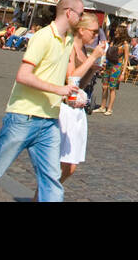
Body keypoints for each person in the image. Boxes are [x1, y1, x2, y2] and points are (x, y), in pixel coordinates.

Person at [0, 0, 88, 202]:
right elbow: (23, 76)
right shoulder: (43, 37)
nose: (82, 19)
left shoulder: (69, 39)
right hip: (23, 117)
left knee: (52, 180)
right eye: (81, 14)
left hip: (49, 121)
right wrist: (59, 90)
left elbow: (62, 76)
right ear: (68, 12)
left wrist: (70, 95)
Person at [41, 13, 107, 200]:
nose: (96, 36)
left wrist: (92, 70)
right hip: (64, 109)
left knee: (70, 166)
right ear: (82, 30)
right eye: (94, 32)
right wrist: (92, 58)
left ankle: (43, 194)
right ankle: (43, 195)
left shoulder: (83, 50)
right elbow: (70, 78)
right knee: (61, 164)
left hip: (77, 110)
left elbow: (80, 85)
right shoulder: (69, 47)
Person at [95, 26, 130, 115]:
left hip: (116, 67)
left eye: (117, 32)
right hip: (108, 65)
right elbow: (108, 53)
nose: (115, 33)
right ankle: (103, 107)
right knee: (104, 87)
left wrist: (123, 73)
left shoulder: (125, 45)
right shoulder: (114, 41)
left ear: (121, 33)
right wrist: (104, 63)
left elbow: (126, 59)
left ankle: (110, 109)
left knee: (112, 88)